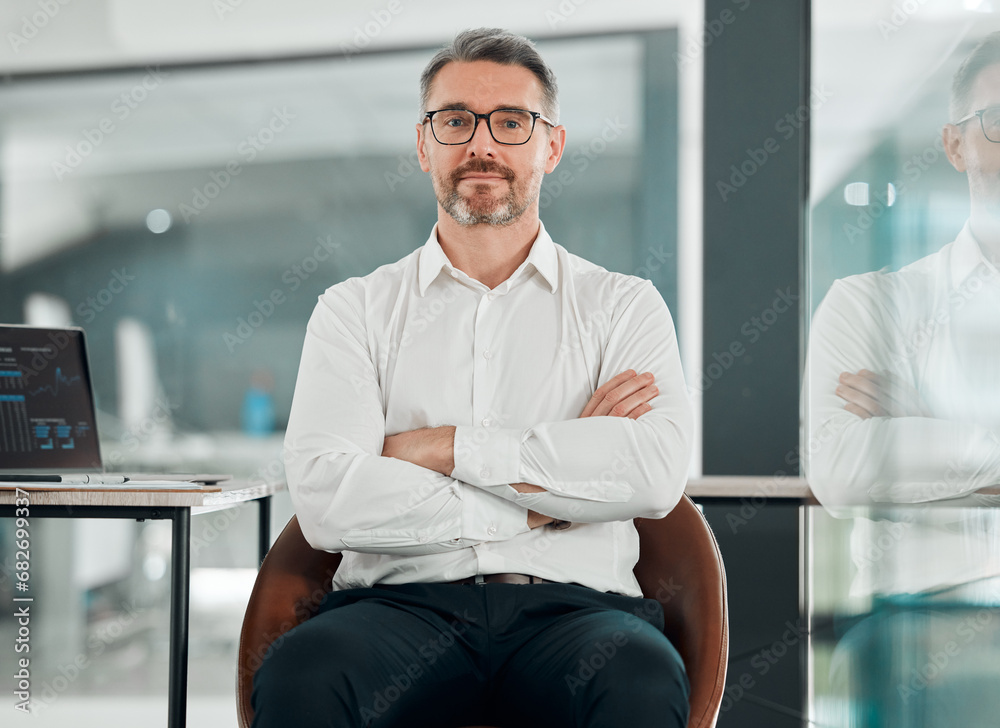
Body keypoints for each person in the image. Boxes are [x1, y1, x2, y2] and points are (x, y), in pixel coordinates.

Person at [252, 28, 693, 728]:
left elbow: (653, 471)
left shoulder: (623, 305)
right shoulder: (354, 310)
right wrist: (547, 495)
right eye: (456, 120)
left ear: (551, 145)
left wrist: (442, 447)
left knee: (640, 679)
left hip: (577, 613)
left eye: (511, 123)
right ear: (425, 144)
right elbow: (330, 498)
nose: (481, 145)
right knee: (304, 675)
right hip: (396, 610)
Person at [803, 31, 1000, 728]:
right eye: (998, 121)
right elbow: (842, 468)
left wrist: (932, 428)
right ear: (956, 145)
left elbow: (891, 453)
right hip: (918, 623)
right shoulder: (870, 304)